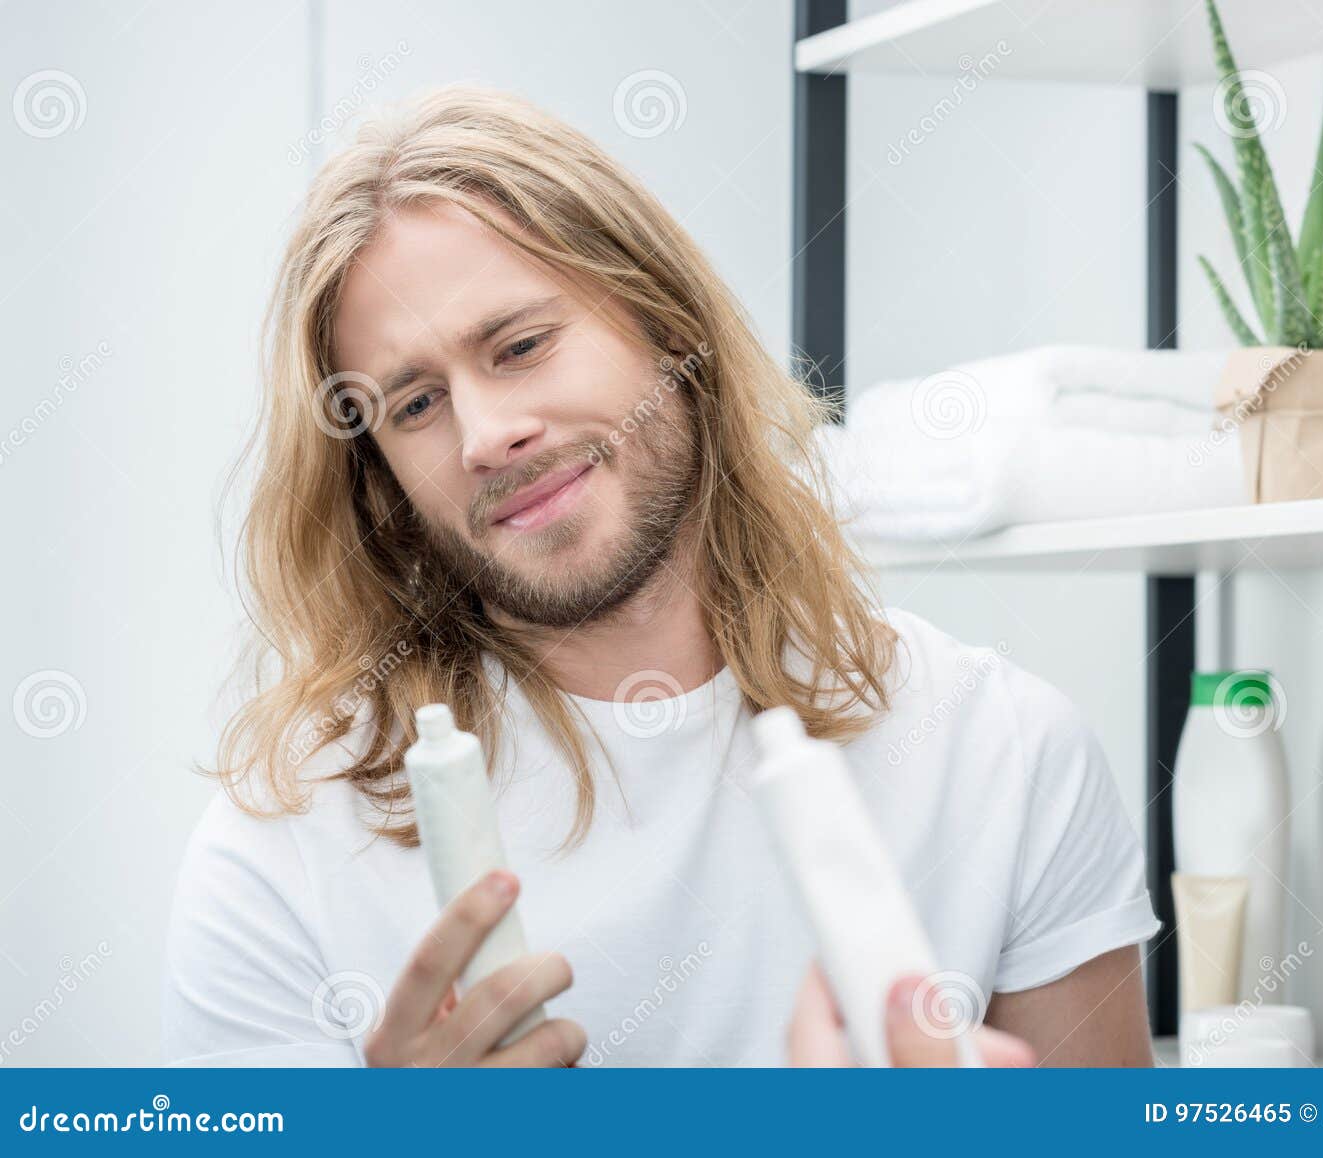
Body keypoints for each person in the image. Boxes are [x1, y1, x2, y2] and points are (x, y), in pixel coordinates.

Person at [162, 84, 1159, 1067]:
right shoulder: (280, 859)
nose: (484, 435)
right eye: (416, 404)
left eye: (520, 345)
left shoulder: (1002, 756)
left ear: (668, 326)